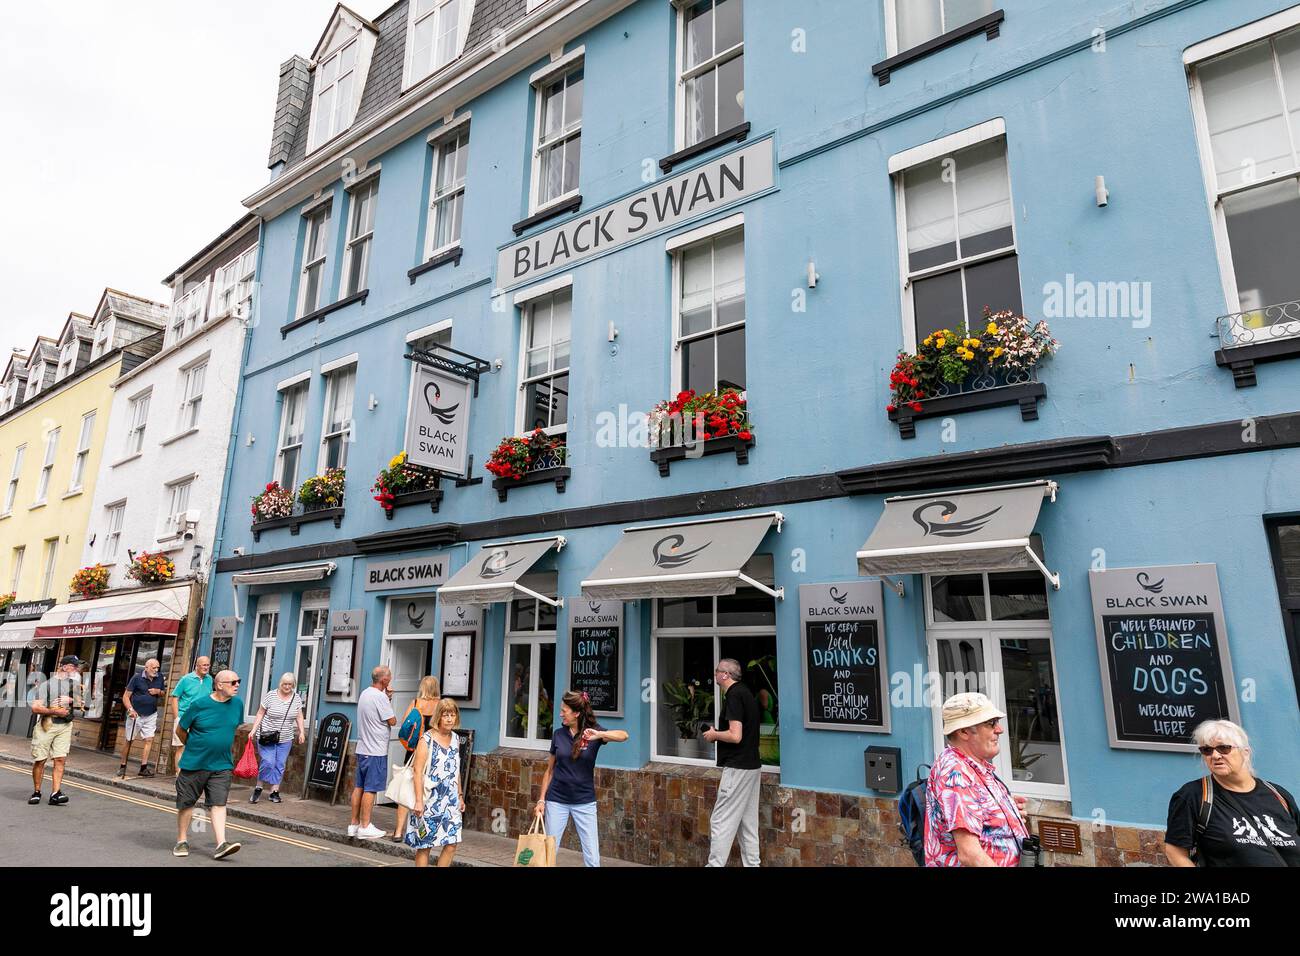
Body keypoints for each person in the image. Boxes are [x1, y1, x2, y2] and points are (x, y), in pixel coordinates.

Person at [1164, 719, 1300, 867]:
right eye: (1207, 750)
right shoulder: (1194, 796)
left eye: (1224, 748)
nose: (1215, 756)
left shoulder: (1278, 794)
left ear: (1245, 752)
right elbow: (1175, 853)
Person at [924, 692, 1029, 867]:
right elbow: (969, 854)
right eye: (991, 723)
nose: (999, 730)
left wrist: (1004, 810)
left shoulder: (970, 765)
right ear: (964, 731)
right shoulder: (955, 773)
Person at [534, 690, 628, 867]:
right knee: (548, 853)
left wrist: (599, 735)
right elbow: (549, 771)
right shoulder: (558, 735)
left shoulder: (593, 733)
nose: (560, 713)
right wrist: (541, 800)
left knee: (592, 857)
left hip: (584, 801)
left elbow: (624, 735)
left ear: (576, 713)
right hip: (556, 800)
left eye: (564, 711)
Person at [173, 669, 244, 860]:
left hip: (222, 764)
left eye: (238, 681)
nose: (237, 685)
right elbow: (181, 729)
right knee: (187, 804)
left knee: (219, 803)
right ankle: (182, 840)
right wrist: (194, 746)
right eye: (233, 682)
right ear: (220, 685)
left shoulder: (237, 704)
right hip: (195, 763)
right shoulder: (199, 705)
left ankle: (221, 843)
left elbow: (233, 728)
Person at [702, 658, 762, 867]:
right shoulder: (746, 693)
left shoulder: (734, 695)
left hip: (738, 767)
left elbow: (735, 736)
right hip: (752, 766)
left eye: (717, 670)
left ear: (725, 674)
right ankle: (752, 865)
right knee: (748, 823)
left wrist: (714, 735)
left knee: (720, 820)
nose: (715, 674)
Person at [404, 698, 465, 867]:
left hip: (451, 801)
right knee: (425, 845)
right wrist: (418, 801)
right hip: (429, 799)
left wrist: (460, 795)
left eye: (452, 715)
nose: (449, 719)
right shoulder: (426, 739)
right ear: (438, 716)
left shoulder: (455, 739)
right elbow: (417, 771)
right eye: (445, 715)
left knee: (452, 843)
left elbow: (455, 770)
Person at [29, 655, 86, 806]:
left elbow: (82, 703)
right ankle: (37, 792)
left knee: (60, 759)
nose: (76, 669)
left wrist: (72, 700)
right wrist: (55, 711)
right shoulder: (47, 684)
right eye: (74, 666)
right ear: (64, 667)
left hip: (65, 726)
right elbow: (35, 707)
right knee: (40, 760)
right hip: (48, 725)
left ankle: (55, 793)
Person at [349, 664, 396, 840]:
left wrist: (387, 697)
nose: (390, 679)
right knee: (371, 789)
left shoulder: (365, 693)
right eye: (389, 677)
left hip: (362, 748)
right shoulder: (380, 698)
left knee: (359, 787)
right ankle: (365, 825)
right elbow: (391, 720)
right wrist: (388, 699)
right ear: (384, 679)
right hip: (376, 750)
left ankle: (353, 824)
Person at [393, 676, 440, 842]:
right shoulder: (440, 706)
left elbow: (405, 727)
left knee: (407, 789)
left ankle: (398, 832)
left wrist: (409, 746)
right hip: (433, 753)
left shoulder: (415, 703)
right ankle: (422, 832)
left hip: (413, 753)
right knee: (428, 791)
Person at [248, 673, 305, 804]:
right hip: (267, 736)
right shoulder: (271, 695)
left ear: (293, 685)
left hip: (285, 737)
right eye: (285, 684)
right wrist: (253, 729)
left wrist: (301, 732)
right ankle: (259, 787)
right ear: (281, 684)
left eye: (290, 684)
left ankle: (274, 791)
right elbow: (260, 713)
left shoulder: (296, 698)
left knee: (279, 764)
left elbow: (299, 716)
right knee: (268, 762)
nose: (287, 687)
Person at [119, 658, 165, 777]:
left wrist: (158, 691)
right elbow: (125, 697)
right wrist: (131, 710)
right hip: (136, 714)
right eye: (153, 668)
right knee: (129, 740)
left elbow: (163, 693)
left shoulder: (159, 677)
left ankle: (143, 768)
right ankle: (123, 766)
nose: (156, 670)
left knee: (149, 740)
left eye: (157, 667)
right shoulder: (136, 678)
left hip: (151, 714)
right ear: (146, 668)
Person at [169, 656, 212, 770]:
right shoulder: (186, 679)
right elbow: (174, 698)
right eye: (204, 665)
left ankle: (192, 773)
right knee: (181, 747)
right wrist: (177, 717)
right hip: (184, 717)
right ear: (197, 666)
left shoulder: (210, 679)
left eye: (208, 665)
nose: (206, 667)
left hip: (202, 719)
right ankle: (178, 775)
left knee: (198, 747)